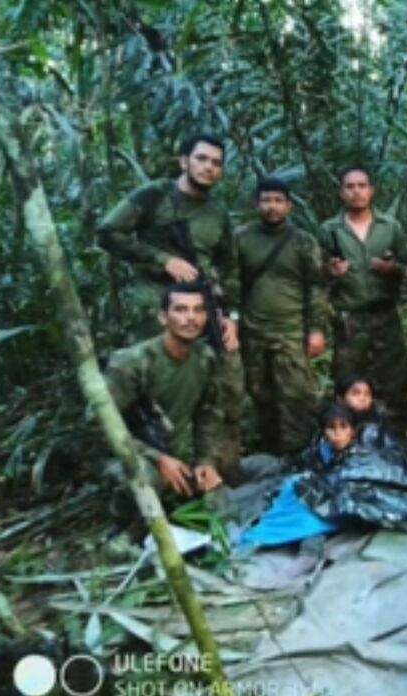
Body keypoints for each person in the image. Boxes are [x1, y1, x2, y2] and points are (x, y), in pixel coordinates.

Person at [97, 134, 245, 476]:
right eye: (202, 159)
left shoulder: (217, 213)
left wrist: (231, 316)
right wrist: (163, 260)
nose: (208, 167)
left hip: (206, 308)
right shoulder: (154, 196)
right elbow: (107, 233)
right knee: (156, 391)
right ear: (184, 161)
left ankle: (215, 470)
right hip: (157, 310)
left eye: (216, 163)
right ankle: (155, 469)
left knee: (225, 386)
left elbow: (230, 268)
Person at [105, 284, 227, 499]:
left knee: (223, 489)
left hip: (180, 451)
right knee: (144, 481)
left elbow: (208, 415)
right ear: (163, 317)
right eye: (181, 310)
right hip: (134, 452)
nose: (191, 318)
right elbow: (99, 426)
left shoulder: (205, 357)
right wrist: (157, 459)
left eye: (198, 310)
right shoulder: (132, 363)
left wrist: (205, 462)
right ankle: (130, 524)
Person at [236, 177, 331, 455]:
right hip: (253, 332)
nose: (271, 207)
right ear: (257, 204)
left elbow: (315, 286)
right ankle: (270, 453)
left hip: (291, 332)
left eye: (278, 201)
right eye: (266, 200)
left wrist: (316, 329)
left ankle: (296, 456)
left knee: (295, 398)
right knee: (261, 396)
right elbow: (231, 283)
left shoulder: (303, 241)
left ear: (289, 206)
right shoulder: (241, 238)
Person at [320, 166, 407, 434]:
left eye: (362, 185)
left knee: (394, 379)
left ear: (371, 190)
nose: (356, 191)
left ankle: (395, 438)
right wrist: (331, 272)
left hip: (385, 315)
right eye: (350, 186)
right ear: (341, 192)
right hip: (349, 318)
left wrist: (392, 268)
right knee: (348, 380)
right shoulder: (329, 230)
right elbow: (316, 275)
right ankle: (350, 438)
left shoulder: (390, 227)